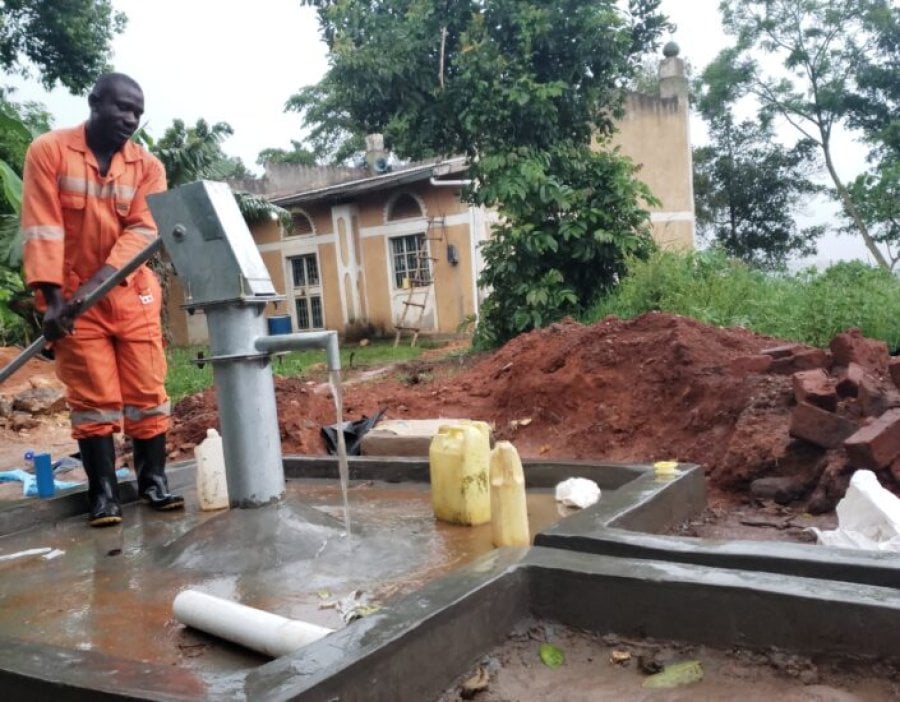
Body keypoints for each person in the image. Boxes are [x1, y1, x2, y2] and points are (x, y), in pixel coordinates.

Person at [20, 72, 183, 527]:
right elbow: (42, 227)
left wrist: (100, 286)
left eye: (137, 112)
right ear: (94, 102)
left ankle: (154, 483)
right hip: (70, 300)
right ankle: (104, 496)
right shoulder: (49, 152)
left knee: (148, 393)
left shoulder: (147, 167)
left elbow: (143, 231)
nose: (131, 119)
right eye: (122, 108)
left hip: (133, 292)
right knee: (93, 399)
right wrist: (52, 302)